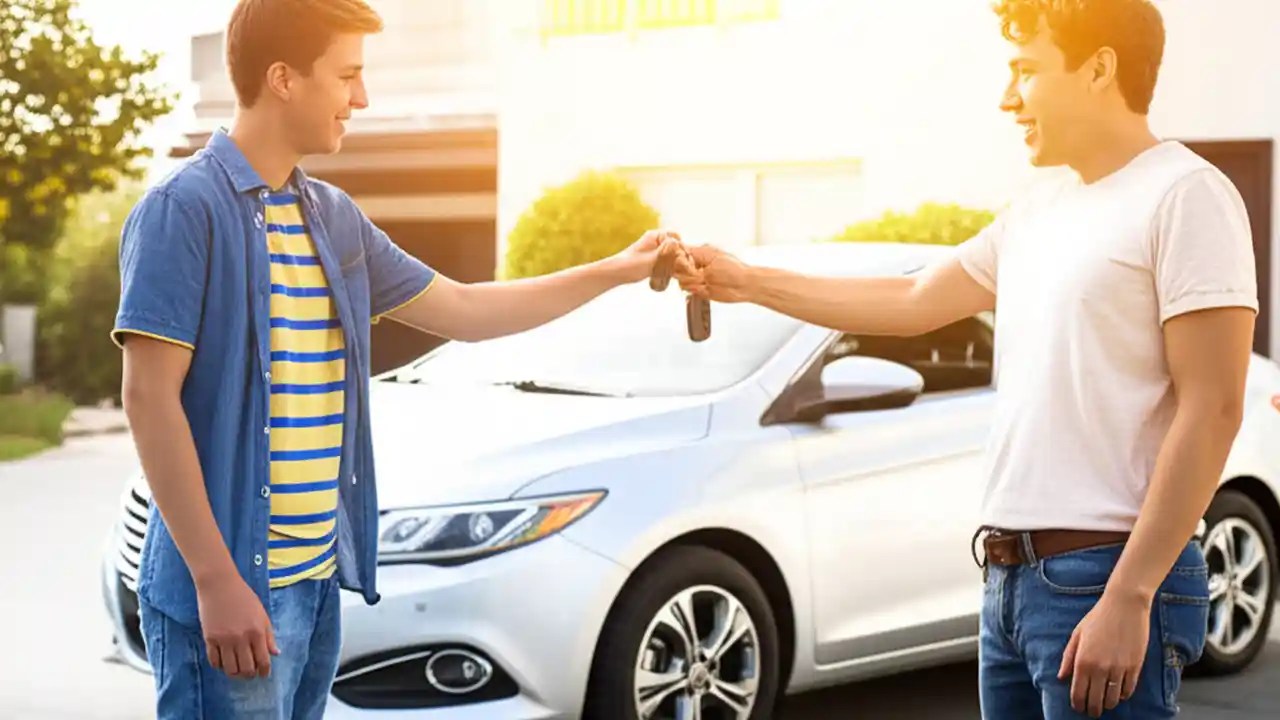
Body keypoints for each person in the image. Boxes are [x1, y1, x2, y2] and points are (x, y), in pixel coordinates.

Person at [672, 1, 1257, 717]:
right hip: (1008, 582)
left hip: (1104, 574)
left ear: (1099, 68)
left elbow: (1215, 406)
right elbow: (914, 298)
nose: (1008, 99)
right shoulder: (1041, 208)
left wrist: (1130, 594)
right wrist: (747, 281)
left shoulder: (1186, 195)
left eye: (1027, 71)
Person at [112, 1, 681, 716]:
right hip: (229, 595)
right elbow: (148, 398)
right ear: (284, 79)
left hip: (314, 588)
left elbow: (469, 311)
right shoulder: (181, 211)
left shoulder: (332, 217)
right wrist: (216, 580)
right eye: (347, 75)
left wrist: (614, 271)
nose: (362, 97)